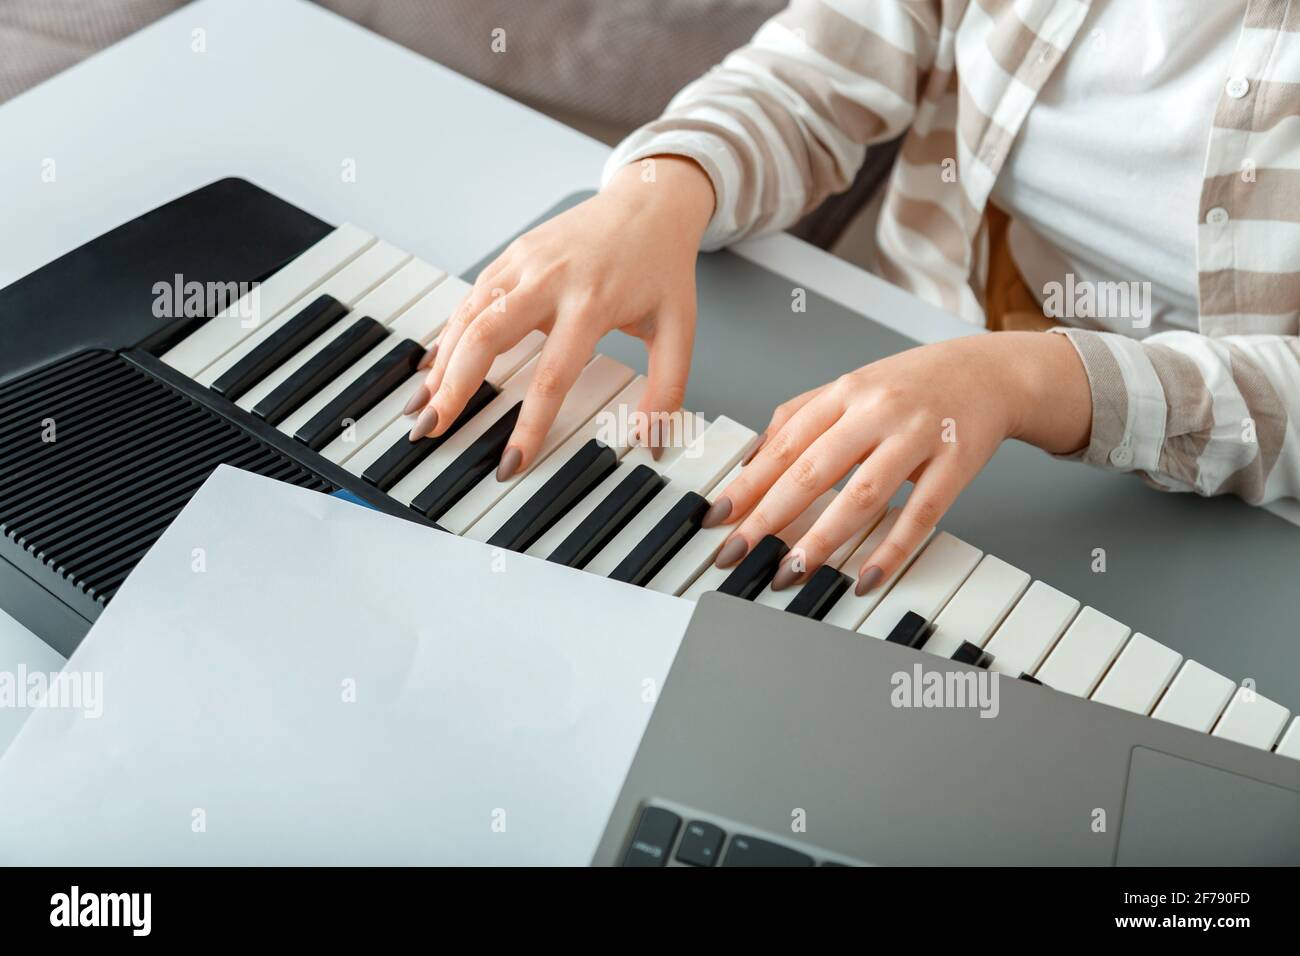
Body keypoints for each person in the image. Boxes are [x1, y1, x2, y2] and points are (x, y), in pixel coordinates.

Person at [403, 0, 1300, 596]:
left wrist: (1033, 380)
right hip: (904, 353)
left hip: (1221, 502)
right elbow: (812, 77)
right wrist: (663, 188)